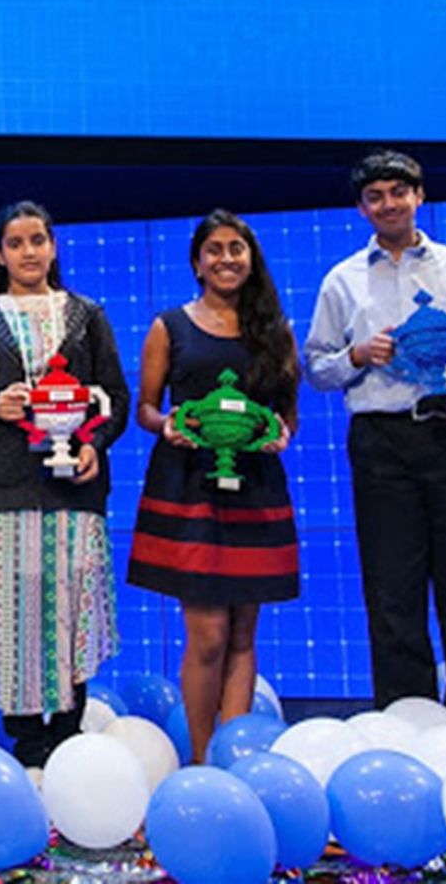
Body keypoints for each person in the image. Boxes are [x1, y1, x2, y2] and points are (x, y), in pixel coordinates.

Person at [304, 150, 446, 727]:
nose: (388, 203)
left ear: (419, 195)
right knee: (392, 593)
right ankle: (407, 725)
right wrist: (358, 354)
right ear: (361, 207)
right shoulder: (342, 280)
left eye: (399, 191)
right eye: (376, 195)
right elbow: (317, 367)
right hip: (381, 444)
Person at [0, 201, 128, 768]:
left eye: (38, 241)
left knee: (71, 603)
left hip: (74, 485)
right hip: (4, 486)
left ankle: (69, 732)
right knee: (15, 607)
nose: (29, 252)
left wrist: (92, 447)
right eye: (16, 243)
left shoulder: (87, 314)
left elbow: (115, 399)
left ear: (53, 247)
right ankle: (26, 738)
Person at [128, 209, 299, 764]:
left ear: (251, 259)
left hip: (256, 488)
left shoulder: (277, 330)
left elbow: (287, 413)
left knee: (245, 635)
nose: (227, 259)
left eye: (237, 249)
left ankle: (236, 760)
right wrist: (168, 424)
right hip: (189, 489)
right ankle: (201, 762)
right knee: (207, 636)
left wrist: (281, 434)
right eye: (215, 250)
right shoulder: (168, 326)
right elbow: (146, 409)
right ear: (198, 263)